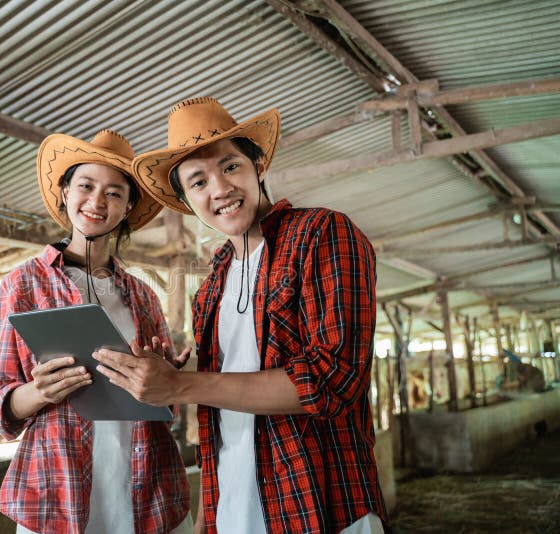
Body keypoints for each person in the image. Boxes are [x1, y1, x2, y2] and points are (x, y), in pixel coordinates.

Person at [93, 98, 389, 533]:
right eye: (198, 182)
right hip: (234, 509)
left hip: (317, 506)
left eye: (230, 167)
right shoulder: (212, 285)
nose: (219, 189)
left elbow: (333, 381)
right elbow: (223, 406)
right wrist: (208, 515)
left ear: (258, 166)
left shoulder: (322, 233)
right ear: (188, 201)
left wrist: (182, 383)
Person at [0, 130, 192, 534]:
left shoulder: (143, 296)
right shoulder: (23, 284)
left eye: (114, 193)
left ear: (128, 205)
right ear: (64, 191)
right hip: (59, 489)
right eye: (86, 186)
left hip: (147, 486)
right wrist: (40, 392)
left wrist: (168, 380)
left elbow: (167, 407)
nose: (97, 202)